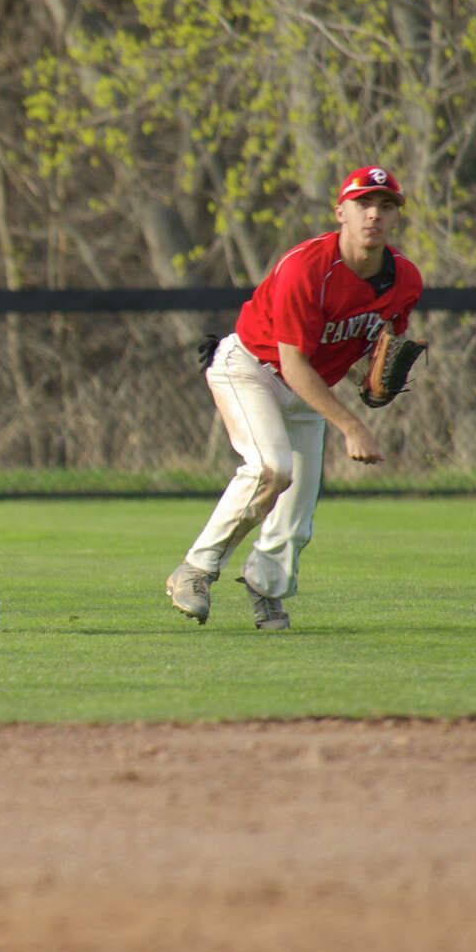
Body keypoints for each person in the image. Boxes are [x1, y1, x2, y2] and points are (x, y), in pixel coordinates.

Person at [165, 166, 423, 631]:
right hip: (251, 369)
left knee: (296, 510)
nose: (374, 215)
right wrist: (352, 424)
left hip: (311, 387)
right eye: (364, 203)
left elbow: (377, 346)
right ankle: (196, 569)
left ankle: (267, 590)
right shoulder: (306, 267)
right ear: (340, 212)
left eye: (386, 206)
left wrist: (371, 376)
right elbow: (294, 364)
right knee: (271, 468)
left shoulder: (405, 279)